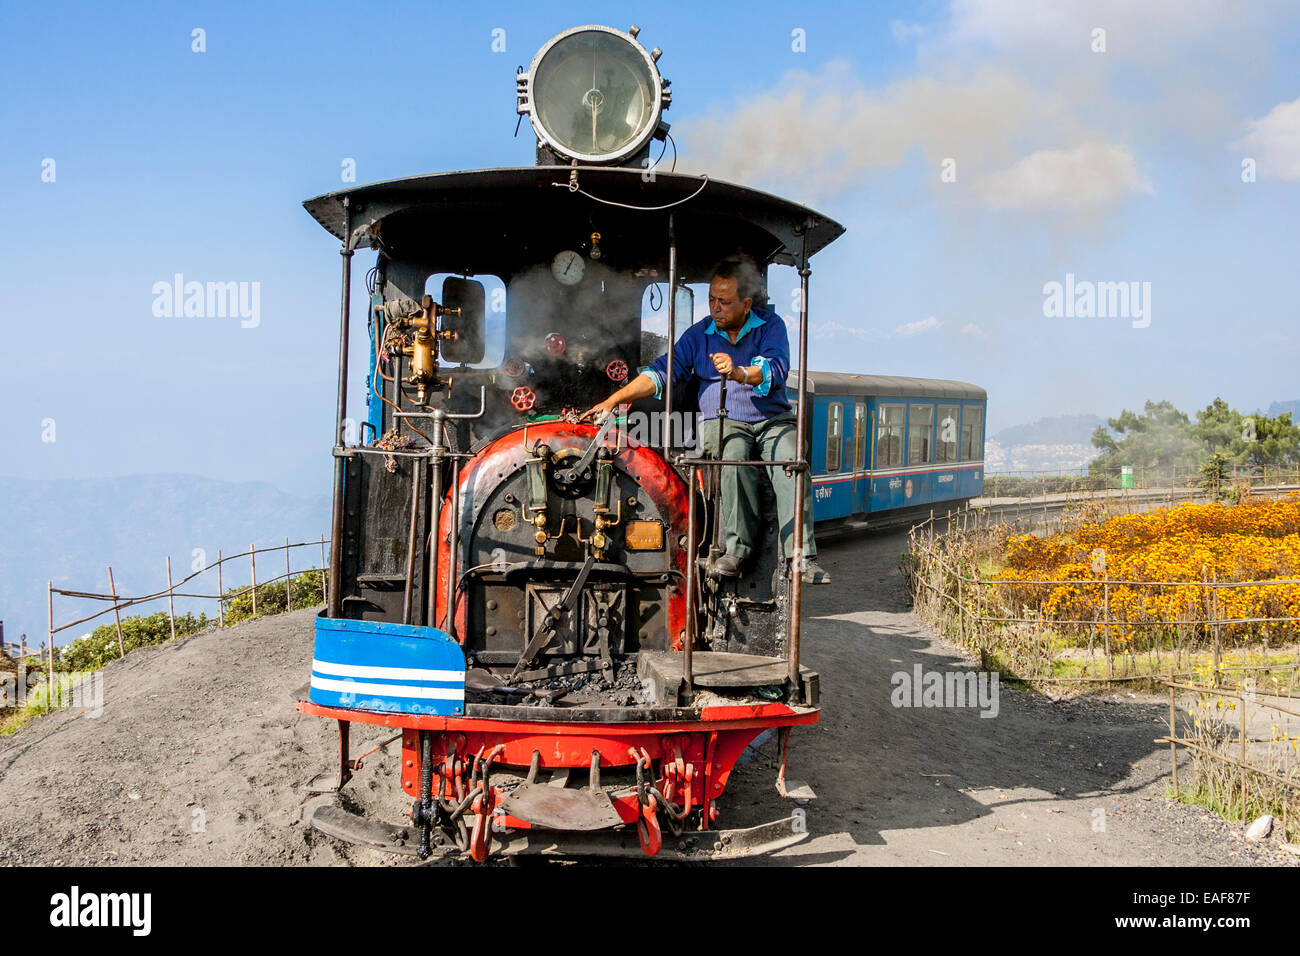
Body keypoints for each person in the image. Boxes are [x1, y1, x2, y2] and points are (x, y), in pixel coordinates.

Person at [583, 254, 830, 585]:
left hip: (772, 419)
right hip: (723, 420)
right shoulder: (698, 335)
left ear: (746, 304)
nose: (715, 307)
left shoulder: (771, 327)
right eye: (712, 299)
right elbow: (660, 373)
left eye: (724, 302)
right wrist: (613, 400)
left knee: (791, 458)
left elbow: (774, 367)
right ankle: (736, 551)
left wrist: (741, 372)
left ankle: (801, 556)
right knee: (732, 455)